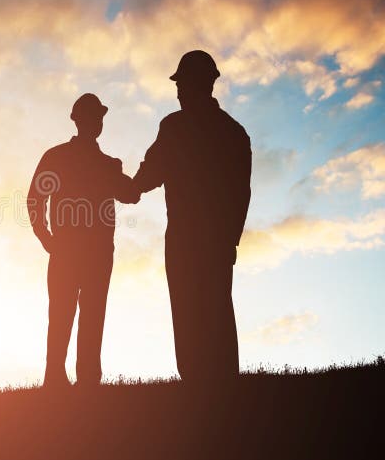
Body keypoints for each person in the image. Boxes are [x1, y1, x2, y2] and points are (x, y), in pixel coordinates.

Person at [133, 50, 252, 384]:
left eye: (181, 84)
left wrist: (127, 188)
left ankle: (198, 388)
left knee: (188, 312)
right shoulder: (234, 132)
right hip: (216, 241)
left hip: (186, 240)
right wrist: (231, 241)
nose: (178, 91)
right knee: (216, 311)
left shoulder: (174, 127)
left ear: (195, 84)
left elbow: (151, 173)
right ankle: (224, 388)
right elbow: (241, 194)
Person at [28, 93, 139, 388]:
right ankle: (66, 377)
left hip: (86, 252)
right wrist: (46, 237)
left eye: (99, 117)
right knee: (72, 312)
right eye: (93, 117)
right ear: (78, 120)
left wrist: (47, 238)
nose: (96, 122)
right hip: (78, 251)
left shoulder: (92, 162)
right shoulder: (74, 159)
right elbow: (35, 199)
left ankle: (78, 378)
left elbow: (130, 194)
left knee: (79, 312)